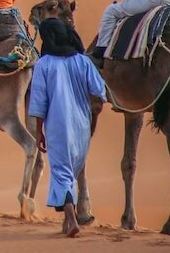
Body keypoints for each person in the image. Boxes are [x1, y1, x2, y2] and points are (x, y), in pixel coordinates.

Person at [29, 17, 107, 237]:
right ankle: (68, 217)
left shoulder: (43, 64)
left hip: (57, 123)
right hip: (82, 124)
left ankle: (71, 217)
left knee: (62, 171)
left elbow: (38, 101)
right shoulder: (82, 61)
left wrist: (38, 131)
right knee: (71, 169)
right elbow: (100, 91)